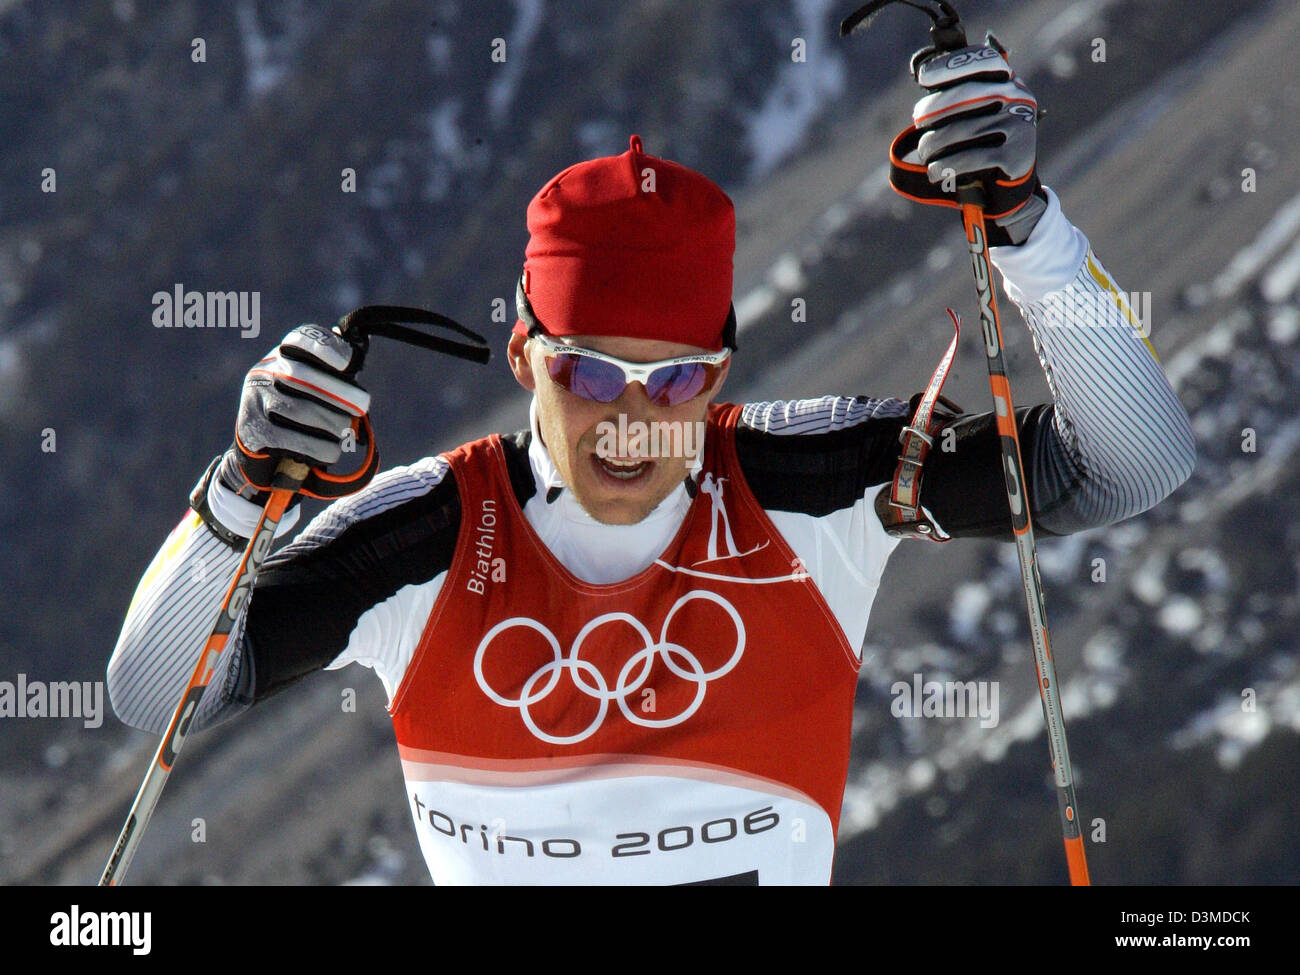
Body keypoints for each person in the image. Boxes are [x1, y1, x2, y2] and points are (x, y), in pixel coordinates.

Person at [108, 46, 1195, 885]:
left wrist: (1024, 228)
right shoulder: (426, 539)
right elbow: (156, 699)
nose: (629, 421)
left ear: (720, 369)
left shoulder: (809, 487)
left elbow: (1127, 468)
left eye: (674, 382)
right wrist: (245, 493)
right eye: (586, 376)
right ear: (526, 355)